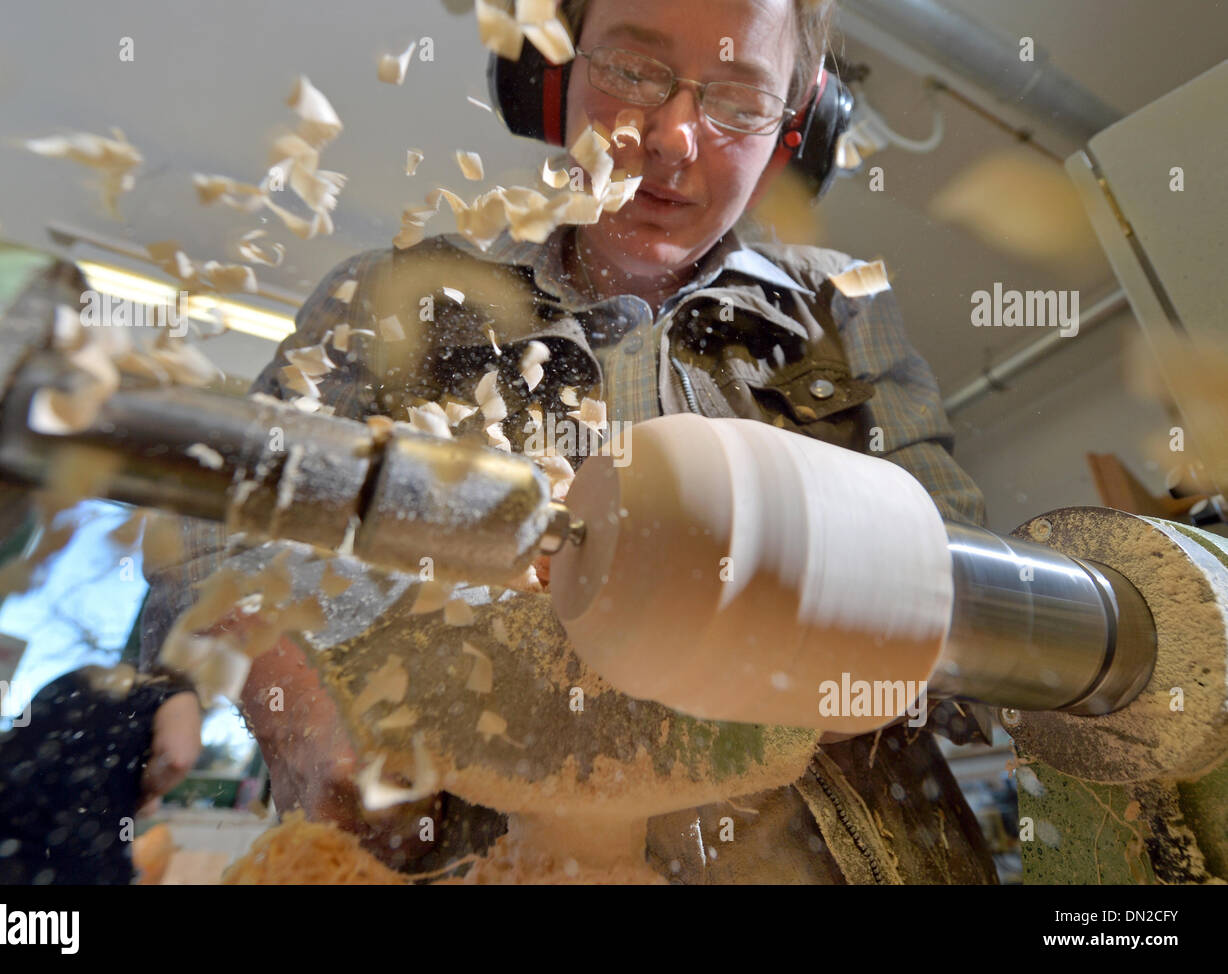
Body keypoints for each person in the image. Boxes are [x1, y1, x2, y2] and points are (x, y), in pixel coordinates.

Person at [143, 0, 996, 883]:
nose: (672, 137)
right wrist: (303, 715)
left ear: (799, 121)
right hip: (477, 852)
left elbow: (962, 583)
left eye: (739, 101)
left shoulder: (841, 312)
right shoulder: (401, 294)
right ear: (549, 72)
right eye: (632, 71)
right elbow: (211, 513)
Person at [0, 665, 200, 885]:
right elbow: (177, 758)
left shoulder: (65, 684)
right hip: (74, 867)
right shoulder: (174, 690)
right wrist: (148, 791)